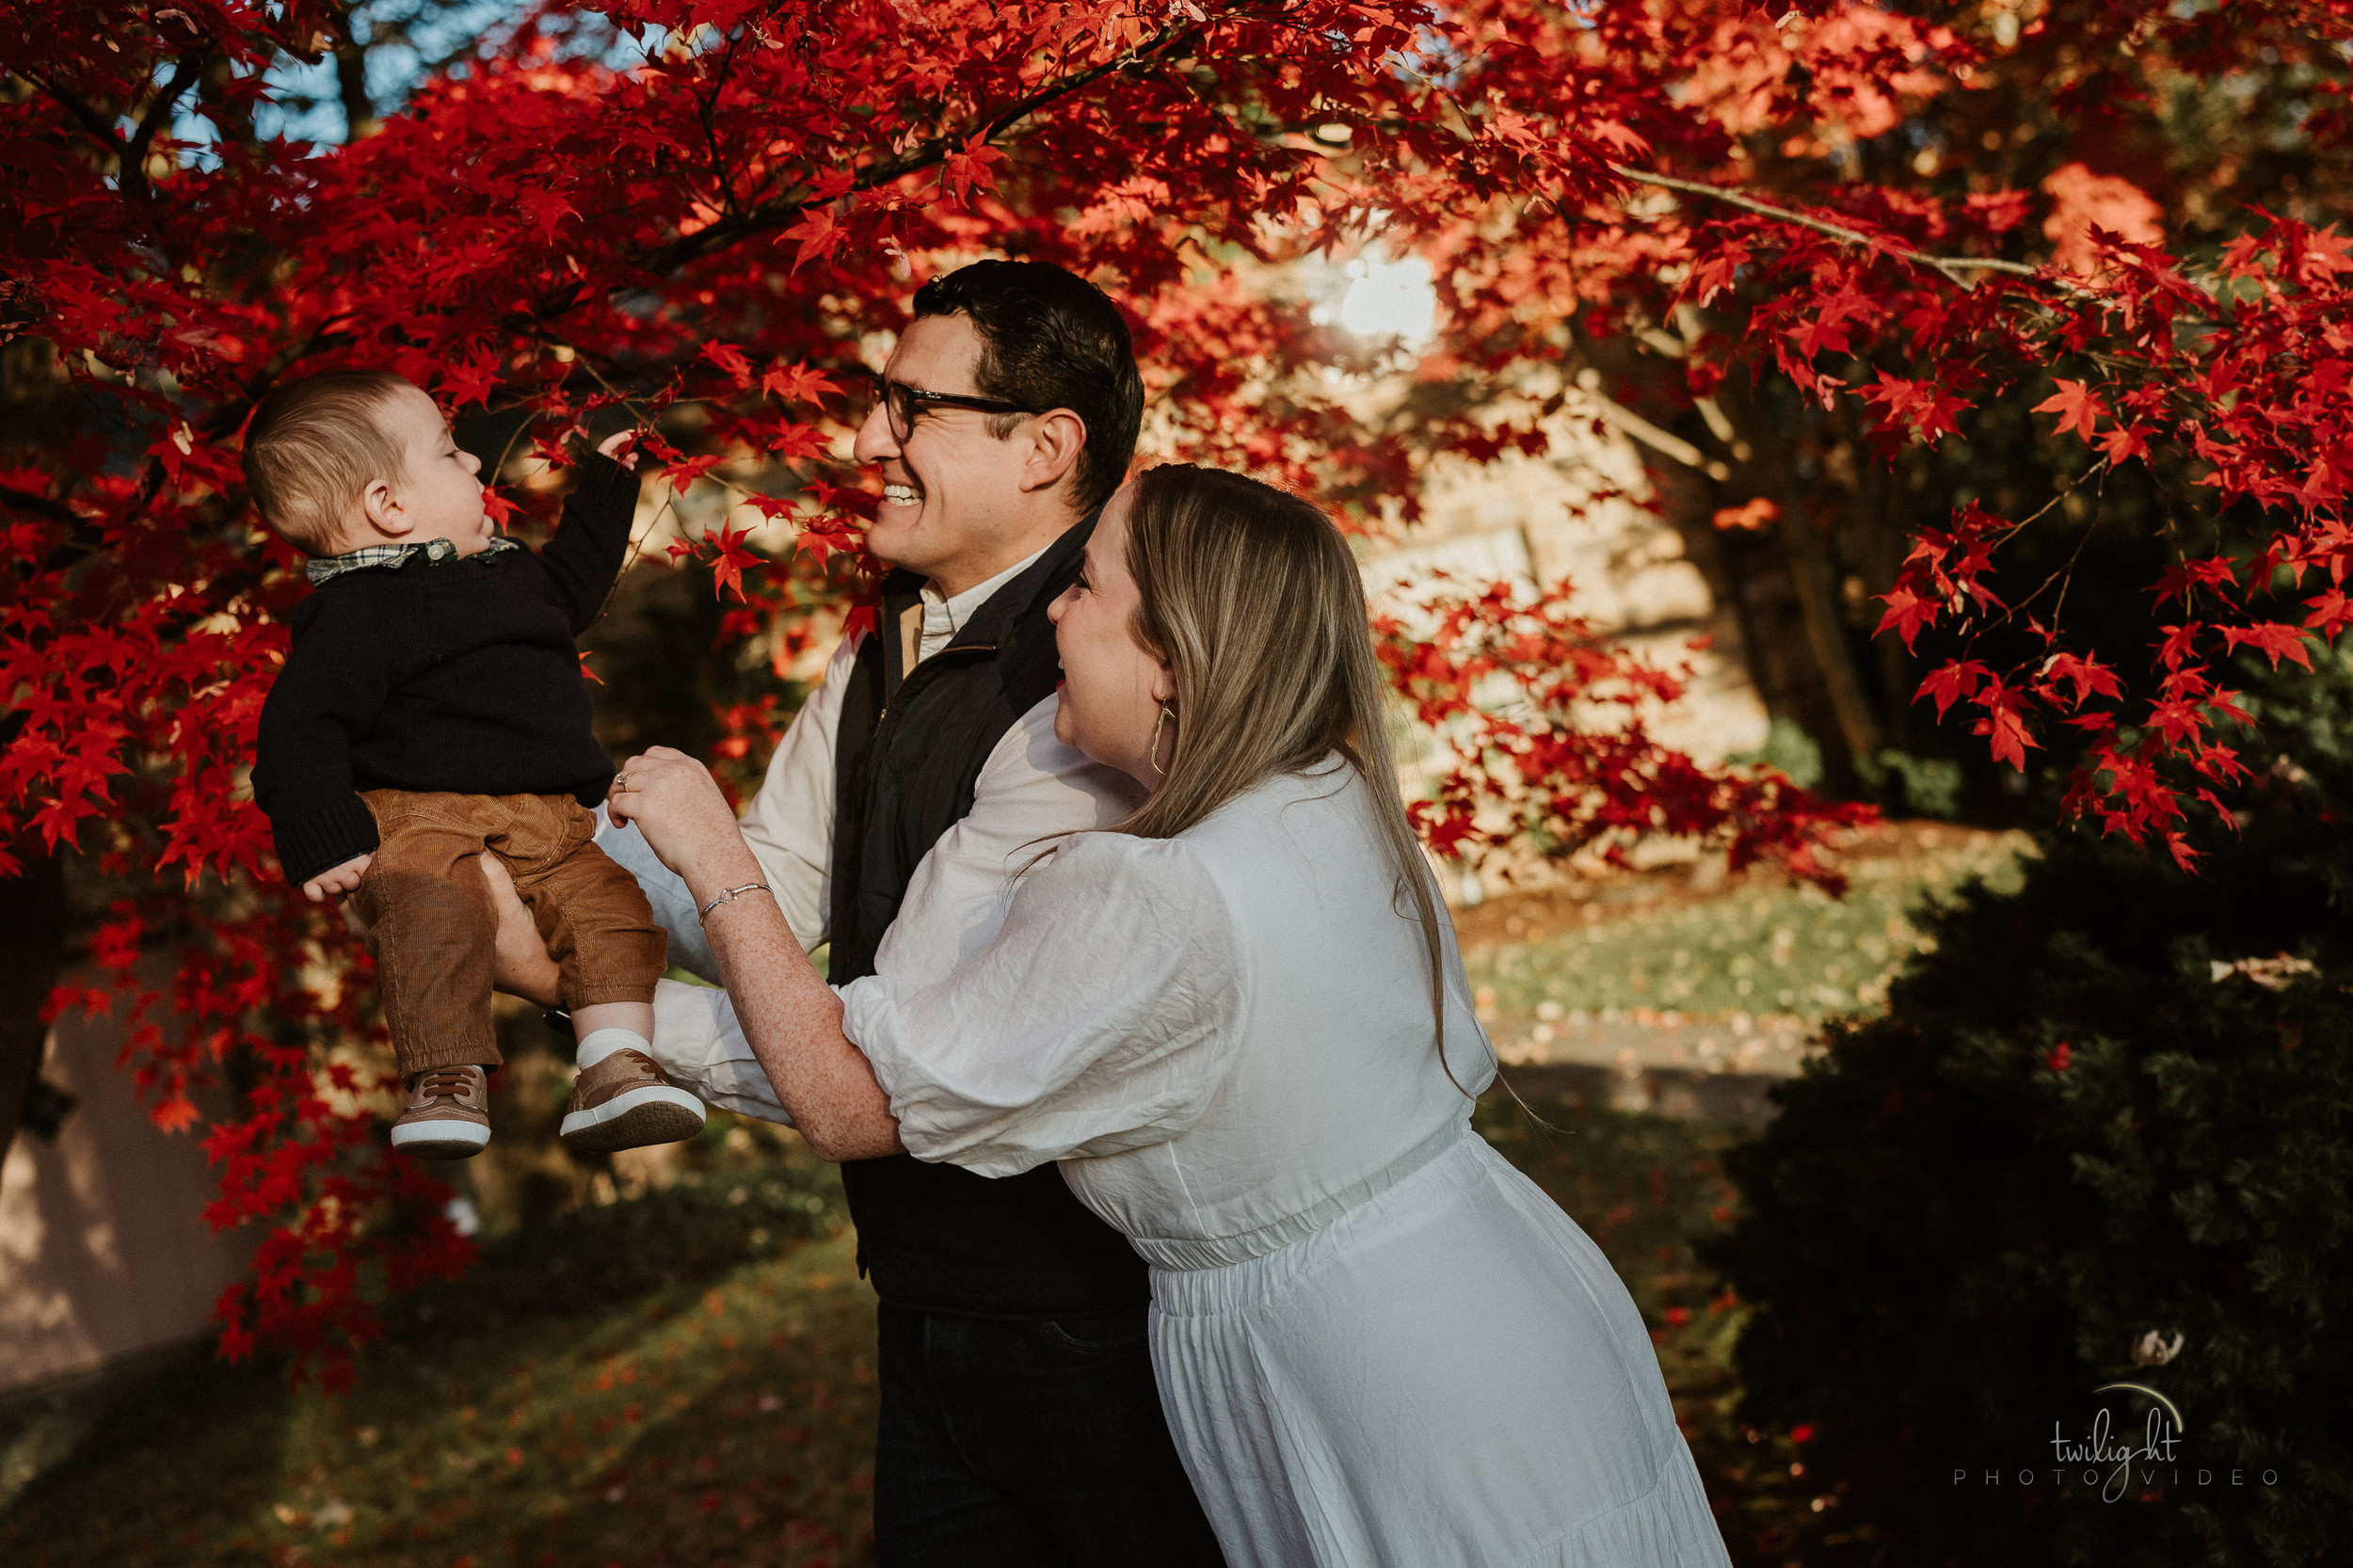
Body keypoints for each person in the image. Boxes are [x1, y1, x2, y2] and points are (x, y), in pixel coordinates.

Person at [607, 463, 1739, 1567]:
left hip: (1373, 1376)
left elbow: (853, 1097)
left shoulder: (1155, 895)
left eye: (1086, 585)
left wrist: (716, 863)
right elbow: (944, 1045)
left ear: (1173, 659)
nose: (1051, 606)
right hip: (1499, 1293)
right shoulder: (1322, 789)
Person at [516, 261, 1225, 1564]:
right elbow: (771, 889)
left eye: (912, 408)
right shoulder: (889, 635)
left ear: (1046, 447)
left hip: (1099, 1318)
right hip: (924, 1297)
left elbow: (888, 1069)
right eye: (869, 400)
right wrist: (540, 892)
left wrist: (601, 994)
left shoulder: (1098, 686)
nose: (862, 441)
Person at [248, 371, 704, 1160]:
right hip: (420, 815)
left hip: (549, 813)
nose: (472, 467)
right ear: (389, 505)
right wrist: (325, 835)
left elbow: (571, 587)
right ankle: (444, 1076)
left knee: (610, 909)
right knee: (432, 916)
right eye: (451, 452)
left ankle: (615, 1064)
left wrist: (609, 480)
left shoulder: (503, 573)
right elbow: (297, 727)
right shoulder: (358, 616)